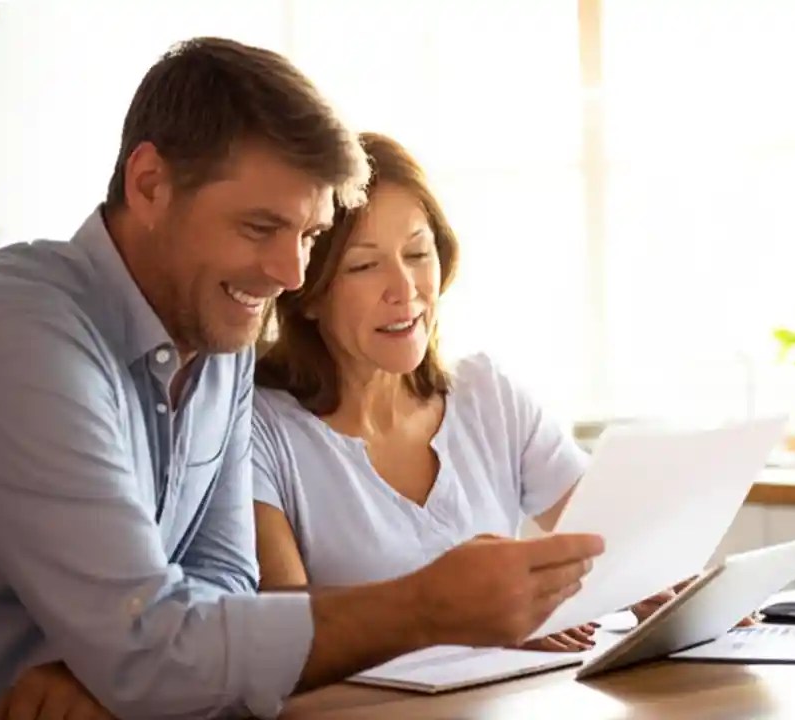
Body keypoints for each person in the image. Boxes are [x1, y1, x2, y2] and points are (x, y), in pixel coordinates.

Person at [0, 38, 602, 720]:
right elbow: (156, 649)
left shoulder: (216, 340)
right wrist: (425, 606)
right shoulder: (20, 341)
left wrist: (122, 669)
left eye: (310, 235)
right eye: (260, 228)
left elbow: (219, 585)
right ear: (150, 185)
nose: (291, 274)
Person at [249, 132, 673, 654]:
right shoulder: (259, 429)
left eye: (417, 253)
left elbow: (616, 540)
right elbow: (280, 633)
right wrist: (470, 617)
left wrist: (665, 585)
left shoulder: (486, 393)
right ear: (308, 293)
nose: (405, 289)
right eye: (363, 266)